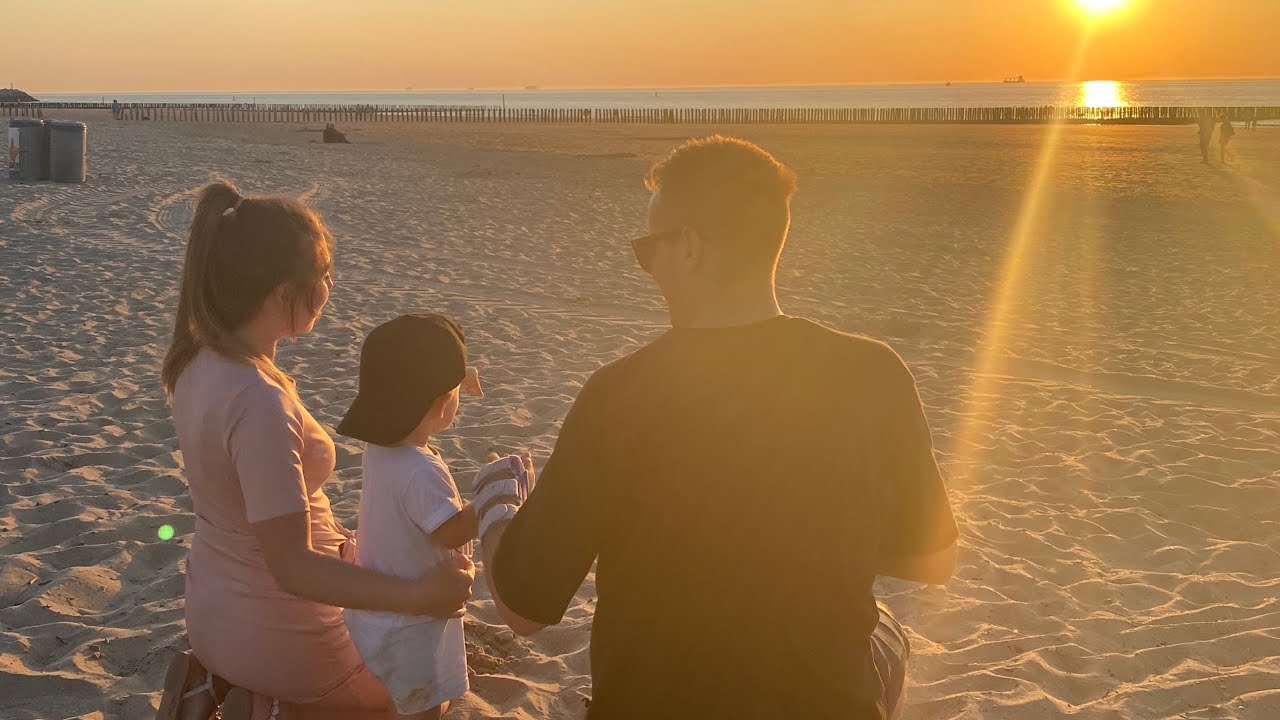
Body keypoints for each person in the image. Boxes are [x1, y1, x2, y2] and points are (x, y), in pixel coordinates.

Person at [484, 136, 960, 719]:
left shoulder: (619, 394)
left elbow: (524, 611)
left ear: (689, 247)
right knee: (884, 633)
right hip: (824, 704)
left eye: (648, 248)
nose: (646, 265)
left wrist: (497, 511)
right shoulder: (873, 372)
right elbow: (932, 560)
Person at [156, 181, 475, 720]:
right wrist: (420, 597)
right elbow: (294, 569)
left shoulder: (198, 359)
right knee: (426, 692)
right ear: (284, 293)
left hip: (214, 608)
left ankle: (228, 685)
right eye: (324, 275)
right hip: (280, 630)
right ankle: (275, 706)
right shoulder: (257, 401)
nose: (330, 286)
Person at [334, 314, 532, 719]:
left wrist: (458, 378)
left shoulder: (381, 447)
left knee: (403, 699)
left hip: (378, 608)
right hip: (411, 625)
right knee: (427, 708)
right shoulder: (420, 471)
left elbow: (408, 377)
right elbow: (448, 532)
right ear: (442, 403)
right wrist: (493, 494)